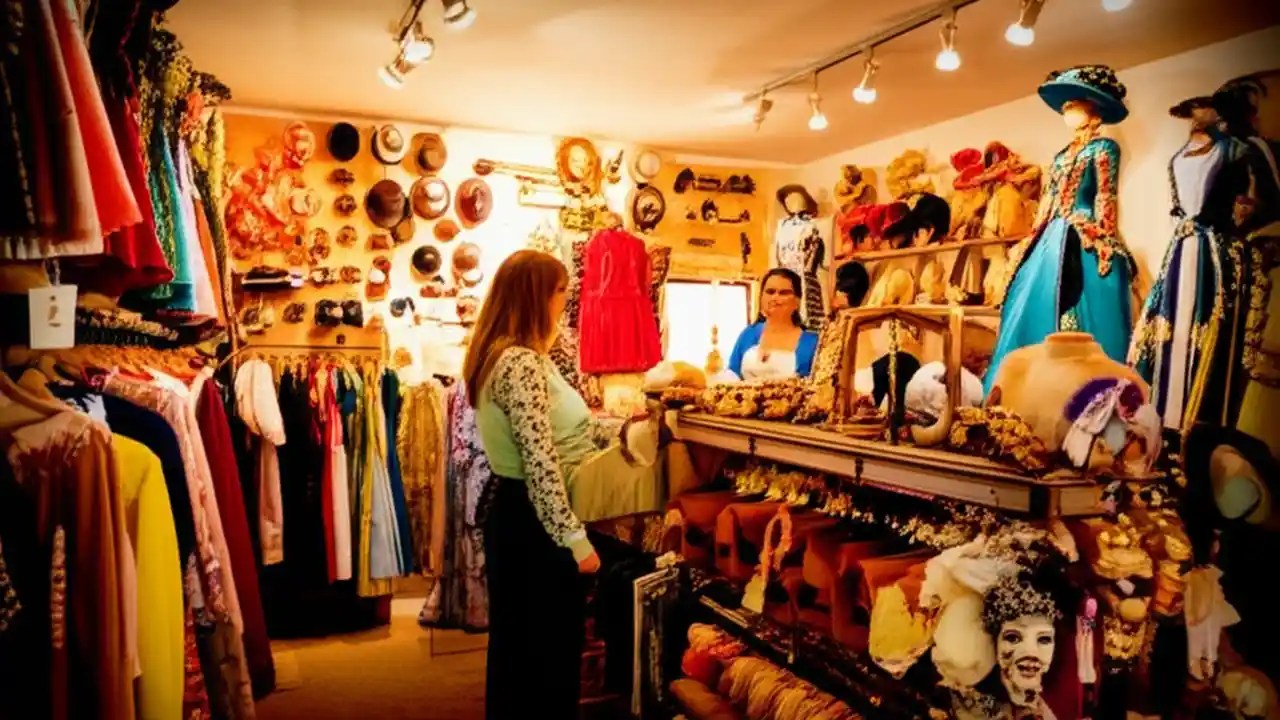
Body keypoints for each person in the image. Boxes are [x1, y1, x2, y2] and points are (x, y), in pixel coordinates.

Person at [462, 249, 660, 719]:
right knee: (545, 653)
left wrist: (629, 430)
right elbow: (540, 461)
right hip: (532, 520)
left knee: (521, 649)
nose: (564, 303)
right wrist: (573, 539)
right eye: (559, 292)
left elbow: (573, 430)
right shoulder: (521, 364)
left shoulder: (516, 358)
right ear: (536, 296)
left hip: (519, 514)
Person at [727, 268, 820, 381]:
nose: (775, 298)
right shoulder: (748, 334)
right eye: (770, 292)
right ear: (761, 298)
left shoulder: (812, 343)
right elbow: (732, 374)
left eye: (784, 293)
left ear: (797, 301)